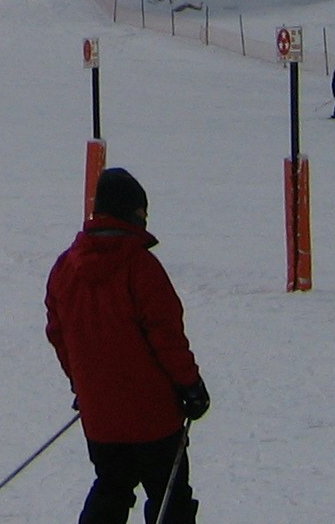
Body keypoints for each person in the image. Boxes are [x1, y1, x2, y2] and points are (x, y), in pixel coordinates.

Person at [45, 166, 207, 524]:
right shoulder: (140, 267)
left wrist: (81, 383)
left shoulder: (64, 269)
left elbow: (60, 335)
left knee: (112, 487)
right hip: (153, 415)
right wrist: (190, 386)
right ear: (132, 213)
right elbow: (167, 337)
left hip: (101, 415)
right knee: (170, 497)